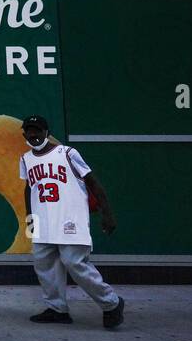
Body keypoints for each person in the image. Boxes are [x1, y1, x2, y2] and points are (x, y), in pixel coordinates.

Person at [19, 114, 125, 327]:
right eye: (29, 131)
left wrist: (108, 213)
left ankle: (111, 303)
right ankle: (57, 309)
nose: (33, 135)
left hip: (70, 219)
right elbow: (29, 188)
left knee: (74, 263)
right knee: (44, 265)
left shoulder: (67, 153)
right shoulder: (26, 159)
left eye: (37, 130)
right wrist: (30, 218)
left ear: (46, 133)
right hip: (44, 222)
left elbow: (93, 182)